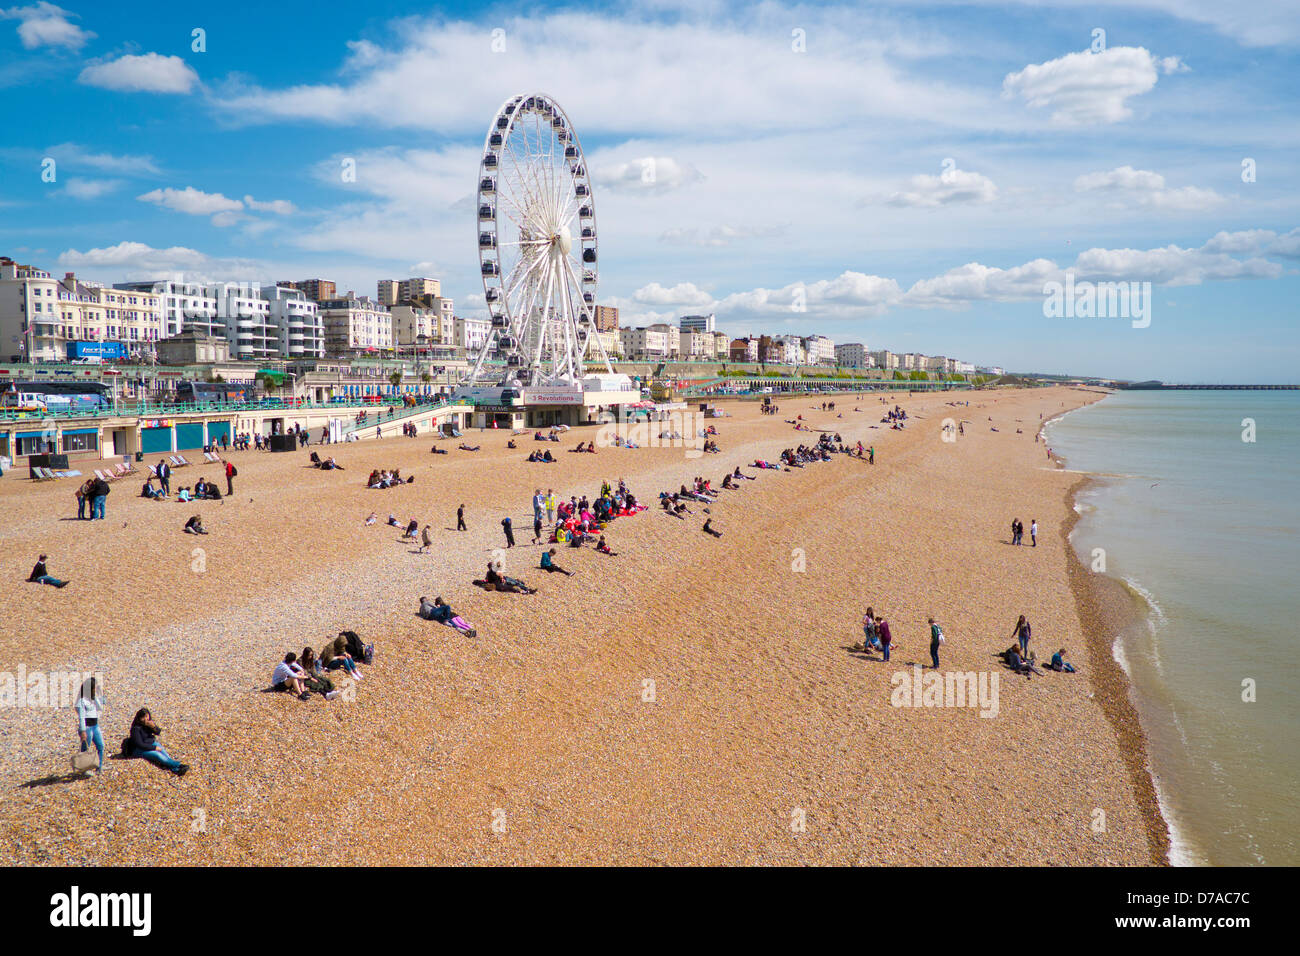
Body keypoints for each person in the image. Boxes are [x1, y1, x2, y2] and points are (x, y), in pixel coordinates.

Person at [128, 709, 189, 776]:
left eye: (147, 716)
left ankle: (175, 770)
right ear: (139, 718)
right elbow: (140, 744)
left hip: (149, 744)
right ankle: (179, 765)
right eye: (143, 717)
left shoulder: (148, 724)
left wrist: (153, 727)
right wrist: (154, 748)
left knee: (163, 753)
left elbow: (158, 732)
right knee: (157, 755)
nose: (145, 719)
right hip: (138, 750)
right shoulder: (135, 729)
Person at [75, 676, 105, 775]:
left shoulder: (93, 699)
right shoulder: (81, 701)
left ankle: (99, 766)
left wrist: (98, 695)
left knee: (100, 745)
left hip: (95, 726)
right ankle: (84, 769)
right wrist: (83, 731)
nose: (96, 689)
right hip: (87, 727)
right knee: (85, 748)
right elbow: (81, 717)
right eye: (94, 687)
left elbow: (100, 707)